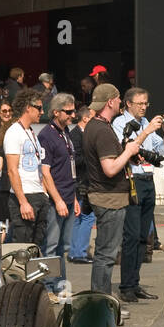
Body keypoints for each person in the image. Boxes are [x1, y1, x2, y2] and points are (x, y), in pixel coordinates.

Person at [83, 82, 163, 297]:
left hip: (112, 195)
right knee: (107, 255)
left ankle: (108, 298)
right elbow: (110, 169)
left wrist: (129, 153)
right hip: (109, 198)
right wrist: (128, 151)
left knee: (109, 252)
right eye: (118, 99)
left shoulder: (97, 126)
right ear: (111, 101)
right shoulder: (102, 129)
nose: (120, 102)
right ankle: (102, 302)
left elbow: (159, 152)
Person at [112, 87, 164, 304]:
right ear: (128, 103)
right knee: (131, 234)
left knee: (142, 237)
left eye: (146, 103)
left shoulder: (146, 122)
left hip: (147, 180)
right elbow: (125, 148)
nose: (144, 107)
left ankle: (135, 283)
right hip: (132, 180)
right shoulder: (120, 123)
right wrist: (146, 132)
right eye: (140, 103)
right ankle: (126, 285)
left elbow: (163, 153)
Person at [38, 93, 80, 301]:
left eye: (73, 110)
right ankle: (48, 286)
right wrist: (58, 200)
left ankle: (61, 284)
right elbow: (45, 172)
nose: (73, 115)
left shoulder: (66, 133)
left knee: (64, 245)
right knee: (52, 245)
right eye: (69, 111)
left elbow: (69, 167)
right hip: (58, 199)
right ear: (56, 112)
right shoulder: (46, 135)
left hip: (69, 195)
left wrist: (74, 199)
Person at [3, 92, 50, 247]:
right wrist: (23, 202)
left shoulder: (30, 132)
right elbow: (12, 170)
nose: (42, 112)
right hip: (25, 197)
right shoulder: (13, 132)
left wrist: (44, 193)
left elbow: (38, 164)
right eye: (39, 108)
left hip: (38, 195)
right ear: (28, 108)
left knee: (36, 247)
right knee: (22, 248)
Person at [67, 102, 97, 262]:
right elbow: (75, 160)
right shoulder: (76, 136)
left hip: (81, 181)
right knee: (87, 217)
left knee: (79, 217)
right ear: (85, 118)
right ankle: (80, 252)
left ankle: (75, 251)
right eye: (92, 118)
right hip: (81, 182)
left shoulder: (80, 134)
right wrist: (92, 157)